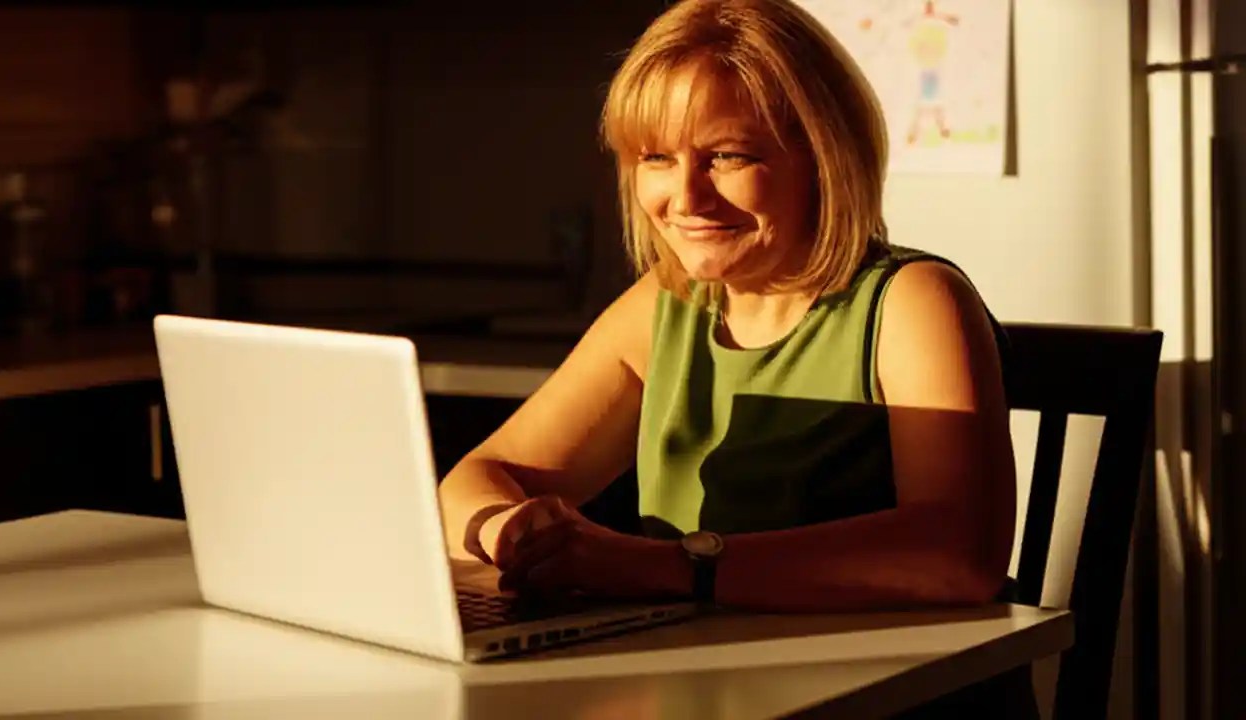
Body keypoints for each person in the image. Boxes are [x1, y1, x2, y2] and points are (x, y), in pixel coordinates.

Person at [439, 0, 1035, 714]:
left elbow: (959, 552)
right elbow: (478, 478)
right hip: (700, 688)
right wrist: (510, 532)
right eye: (657, 157)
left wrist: (654, 567)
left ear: (822, 156)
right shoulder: (667, 303)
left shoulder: (913, 300)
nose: (684, 198)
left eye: (727, 156)